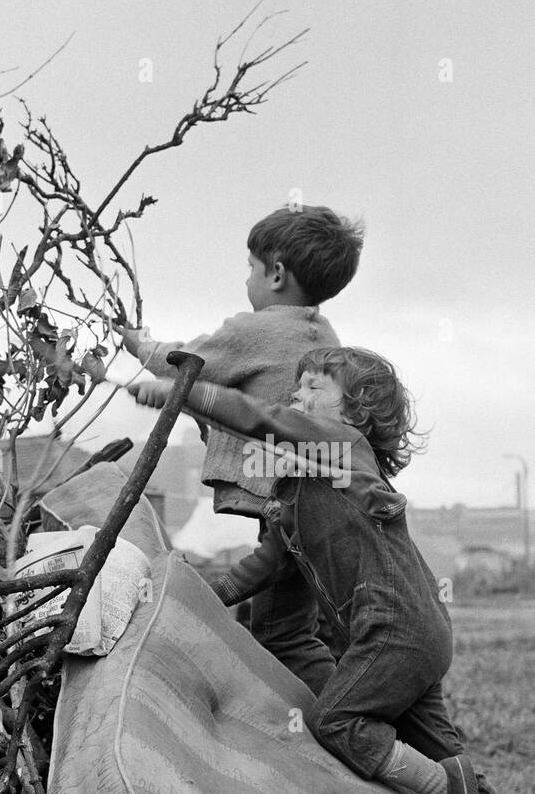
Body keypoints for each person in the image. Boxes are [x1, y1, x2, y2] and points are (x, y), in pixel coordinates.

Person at [126, 346, 535, 794]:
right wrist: (194, 593)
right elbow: (261, 569)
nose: (298, 396)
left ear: (355, 415)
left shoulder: (343, 449)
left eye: (314, 389)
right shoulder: (294, 496)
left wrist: (181, 392)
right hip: (413, 629)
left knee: (335, 722)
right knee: (444, 751)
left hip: (395, 628)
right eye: (298, 386)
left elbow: (259, 419)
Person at [120, 205, 360, 691]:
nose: (246, 279)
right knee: (294, 623)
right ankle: (336, 718)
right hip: (318, 500)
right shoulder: (324, 335)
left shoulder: (257, 330)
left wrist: (141, 347)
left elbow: (189, 366)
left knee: (282, 634)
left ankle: (338, 726)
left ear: (275, 274)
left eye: (250, 267)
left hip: (282, 500)